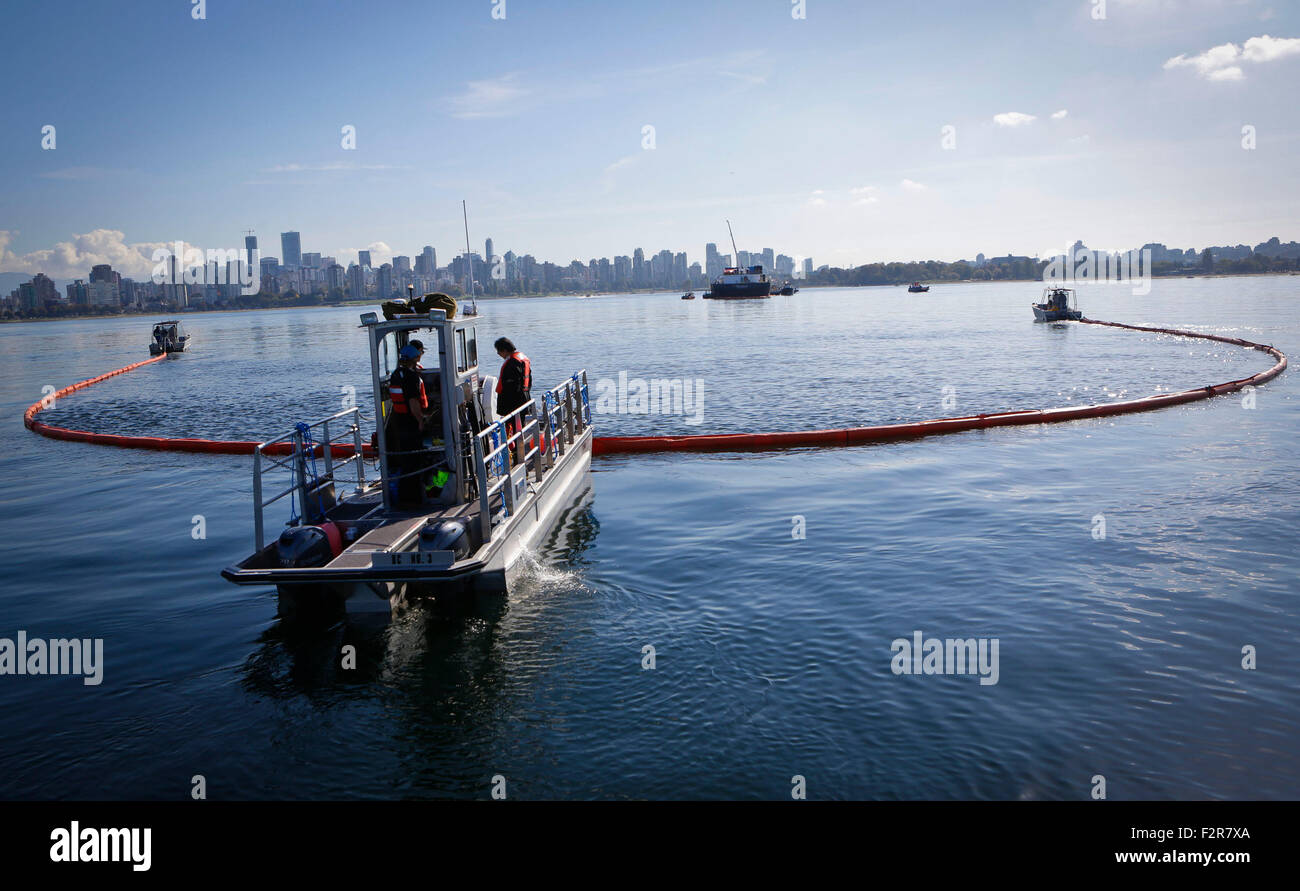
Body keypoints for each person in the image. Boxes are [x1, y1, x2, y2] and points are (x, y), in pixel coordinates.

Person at [388, 344, 431, 504]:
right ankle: (413, 499)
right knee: (414, 462)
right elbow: (413, 402)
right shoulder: (411, 377)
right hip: (410, 423)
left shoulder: (395, 374)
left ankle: (404, 498)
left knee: (406, 461)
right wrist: (421, 420)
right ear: (415, 358)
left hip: (398, 422)